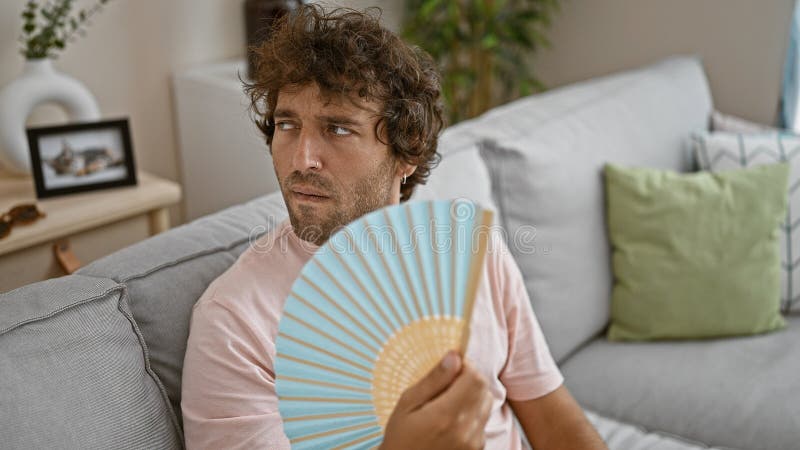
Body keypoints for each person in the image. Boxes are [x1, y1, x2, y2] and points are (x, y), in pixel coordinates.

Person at [181, 5, 607, 449]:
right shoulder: (235, 323)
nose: (301, 158)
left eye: (338, 129)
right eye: (288, 125)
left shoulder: (472, 252)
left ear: (409, 153)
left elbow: (554, 417)